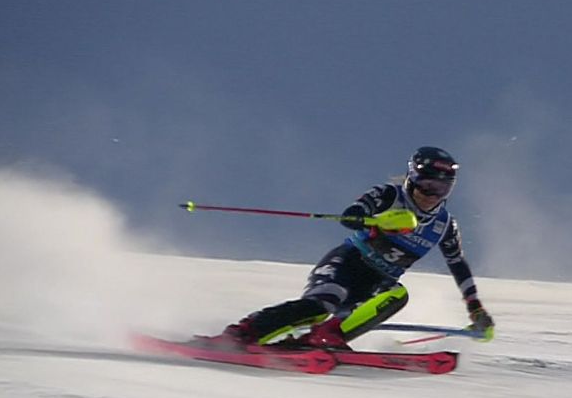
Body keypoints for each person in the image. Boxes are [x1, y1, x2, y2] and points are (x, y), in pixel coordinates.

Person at [206, 146, 495, 349]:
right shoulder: (388, 194)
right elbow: (352, 214)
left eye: (442, 189)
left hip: (377, 283)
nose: (433, 195)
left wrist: (476, 309)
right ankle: (242, 333)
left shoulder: (444, 224)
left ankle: (323, 339)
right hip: (348, 263)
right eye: (427, 185)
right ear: (412, 178)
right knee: (322, 304)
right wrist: (375, 221)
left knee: (396, 295)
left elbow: (458, 264)